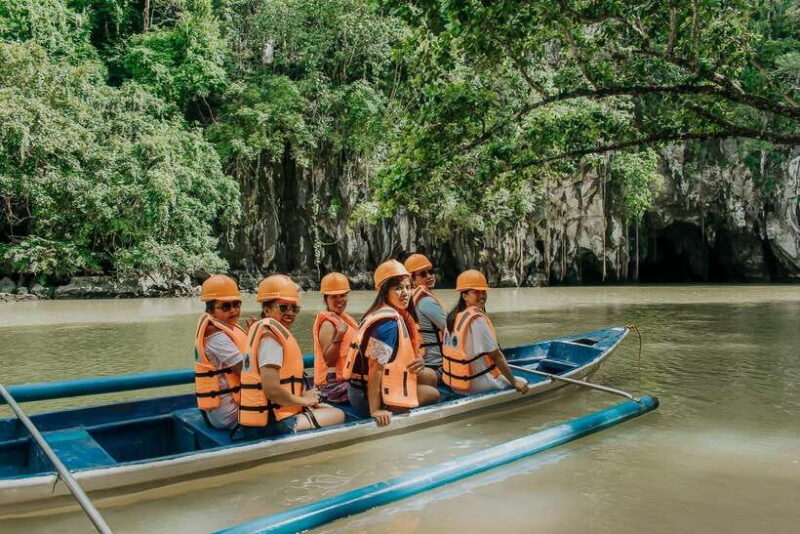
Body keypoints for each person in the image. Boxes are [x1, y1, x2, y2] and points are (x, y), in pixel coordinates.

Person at [238, 274, 344, 436]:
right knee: (338, 415)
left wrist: (304, 396)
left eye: (294, 308)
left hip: (269, 416)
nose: (290, 313)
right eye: (283, 307)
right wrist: (304, 400)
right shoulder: (270, 340)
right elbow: (271, 390)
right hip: (273, 422)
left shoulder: (264, 331)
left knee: (324, 407)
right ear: (266, 309)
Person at [343, 260, 440, 426]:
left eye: (408, 287)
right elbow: (375, 368)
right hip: (365, 396)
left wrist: (418, 360)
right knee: (433, 394)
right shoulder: (387, 325)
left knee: (429, 375)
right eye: (398, 288)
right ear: (384, 291)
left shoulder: (382, 312)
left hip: (363, 388)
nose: (405, 293)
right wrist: (375, 410)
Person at [442, 270, 529, 396]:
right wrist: (514, 382)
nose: (482, 295)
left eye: (483, 291)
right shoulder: (476, 319)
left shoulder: (452, 317)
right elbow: (496, 355)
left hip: (455, 384)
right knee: (524, 381)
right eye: (476, 292)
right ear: (464, 296)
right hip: (474, 385)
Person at [194, 274, 247, 430]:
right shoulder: (217, 337)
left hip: (224, 408)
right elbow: (245, 371)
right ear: (210, 310)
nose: (233, 310)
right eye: (225, 306)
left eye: (236, 304)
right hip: (229, 413)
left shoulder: (226, 328)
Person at [312, 272, 358, 404]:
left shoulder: (345, 319)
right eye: (333, 297)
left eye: (343, 295)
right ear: (325, 299)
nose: (339, 300)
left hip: (346, 380)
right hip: (331, 387)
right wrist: (339, 335)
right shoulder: (327, 324)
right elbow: (329, 361)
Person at [404, 253, 447, 379]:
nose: (429, 276)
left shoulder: (406, 300)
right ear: (412, 279)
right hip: (438, 366)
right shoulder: (426, 301)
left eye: (431, 272)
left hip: (424, 364)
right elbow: (455, 330)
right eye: (423, 274)